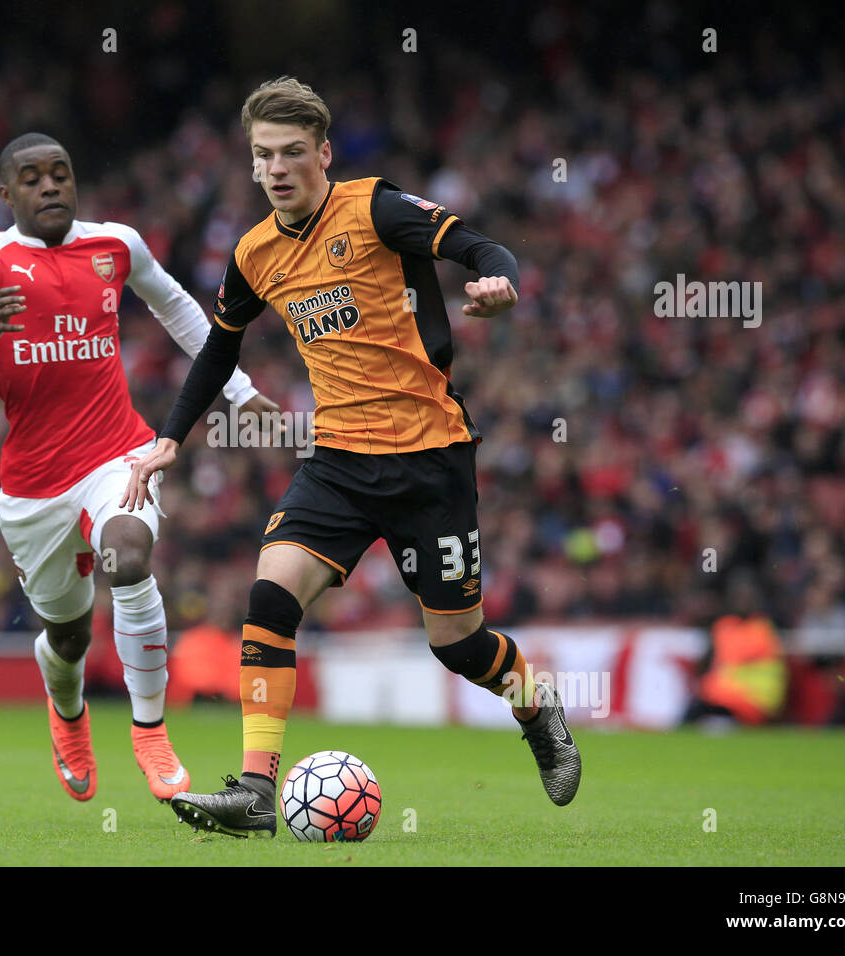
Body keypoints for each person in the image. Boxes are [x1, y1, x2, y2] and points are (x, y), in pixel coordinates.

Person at [122, 78, 581, 837]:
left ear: (324, 154)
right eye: (263, 155)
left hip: (430, 459)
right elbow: (217, 350)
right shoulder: (253, 254)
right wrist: (172, 435)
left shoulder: (375, 208)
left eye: (292, 153)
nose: (276, 169)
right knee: (270, 600)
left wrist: (503, 282)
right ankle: (257, 793)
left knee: (460, 647)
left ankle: (538, 708)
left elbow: (480, 246)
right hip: (336, 460)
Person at [0, 133, 278, 803]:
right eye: (33, 178)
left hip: (118, 452)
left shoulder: (117, 245)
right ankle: (68, 709)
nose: (50, 186)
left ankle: (150, 732)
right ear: (7, 194)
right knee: (70, 633)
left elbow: (175, 305)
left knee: (129, 555)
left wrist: (235, 386)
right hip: (33, 486)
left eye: (61, 174)